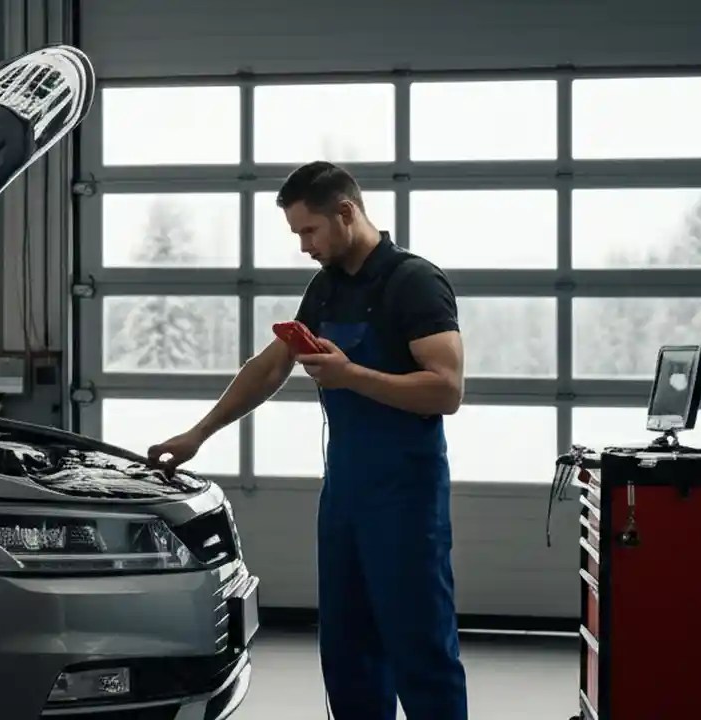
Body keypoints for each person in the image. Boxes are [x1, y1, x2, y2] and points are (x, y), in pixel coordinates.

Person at [147, 160, 468, 719]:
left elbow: (446, 389)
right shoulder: (327, 288)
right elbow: (270, 367)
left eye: (308, 231)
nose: (303, 246)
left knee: (419, 646)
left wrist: (352, 377)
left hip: (405, 496)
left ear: (346, 213)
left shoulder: (413, 282)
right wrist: (200, 433)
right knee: (347, 649)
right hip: (344, 494)